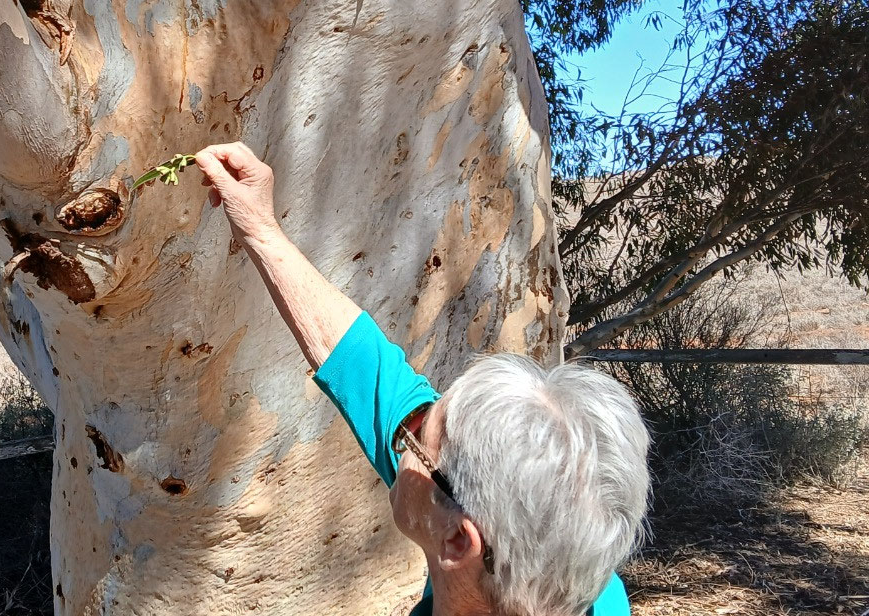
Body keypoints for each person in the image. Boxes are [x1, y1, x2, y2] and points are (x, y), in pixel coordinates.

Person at [193, 143, 651, 616]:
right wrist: (261, 231)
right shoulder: (580, 580)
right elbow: (367, 368)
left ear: (458, 539)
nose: (403, 432)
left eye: (417, 442)